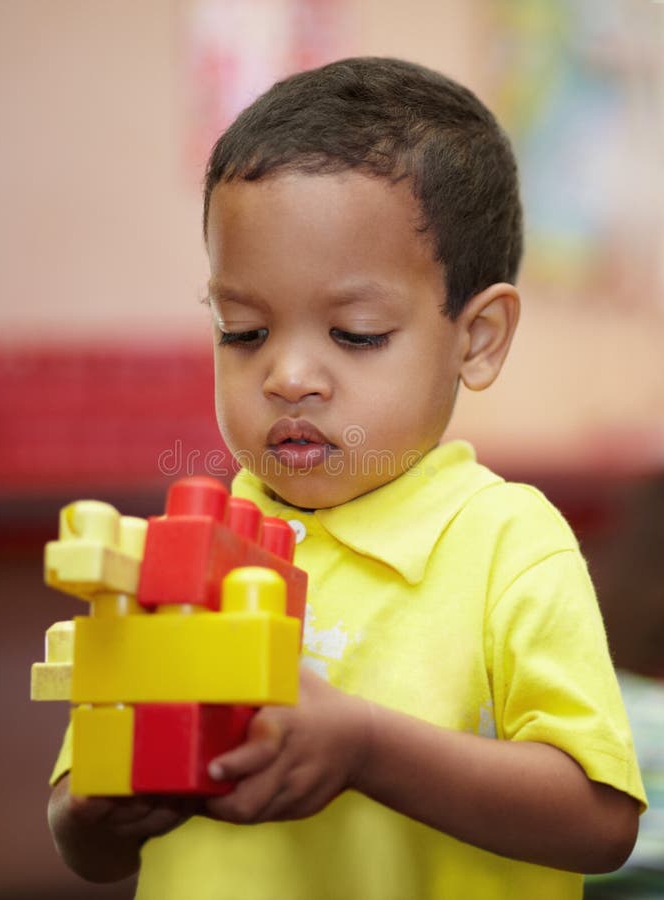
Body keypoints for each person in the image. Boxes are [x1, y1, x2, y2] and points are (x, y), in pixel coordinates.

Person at [47, 57, 646, 899]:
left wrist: (367, 747)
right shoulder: (177, 559)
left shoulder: (509, 545)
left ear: (475, 340)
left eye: (355, 334)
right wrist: (93, 815)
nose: (288, 376)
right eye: (244, 331)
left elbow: (599, 822)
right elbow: (89, 843)